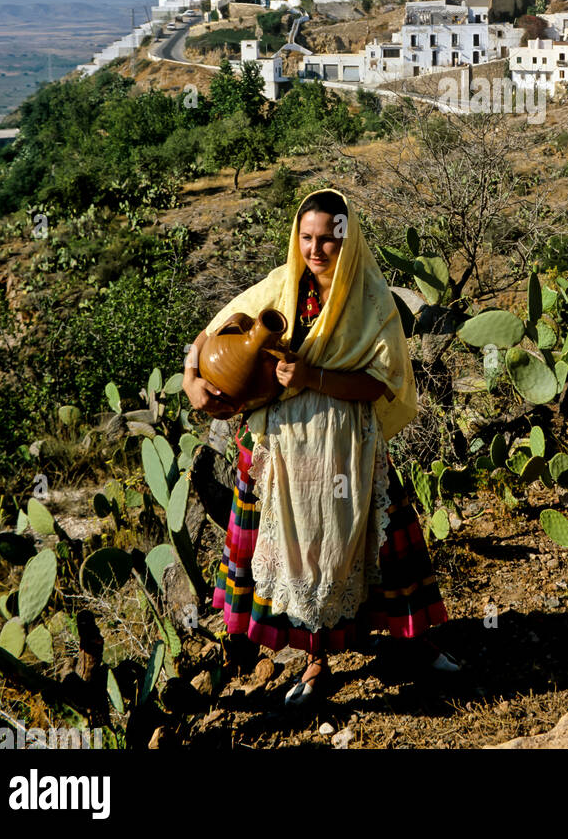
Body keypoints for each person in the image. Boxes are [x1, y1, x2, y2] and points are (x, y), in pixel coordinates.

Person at [182, 187, 455, 703]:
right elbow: (205, 334)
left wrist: (313, 378)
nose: (314, 250)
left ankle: (416, 644)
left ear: (345, 240)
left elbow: (381, 382)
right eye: (306, 238)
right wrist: (193, 378)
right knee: (302, 554)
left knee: (379, 546)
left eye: (326, 240)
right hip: (280, 451)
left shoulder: (371, 300)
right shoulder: (282, 288)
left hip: (349, 447)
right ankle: (315, 663)